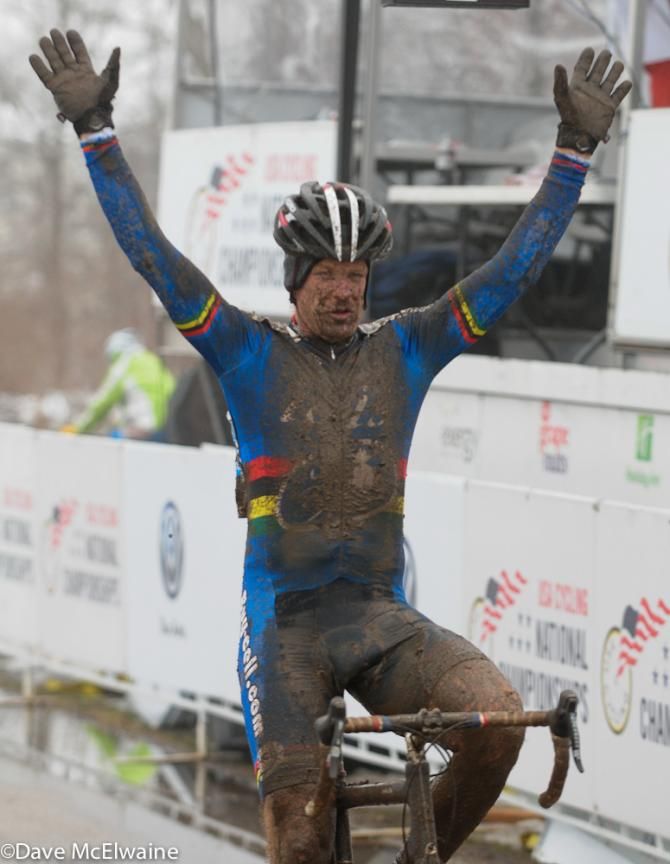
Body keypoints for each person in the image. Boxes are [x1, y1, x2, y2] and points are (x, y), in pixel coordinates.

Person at [30, 30, 631, 863]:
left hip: (381, 617)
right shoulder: (245, 352)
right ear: (295, 279)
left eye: (357, 275)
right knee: (303, 839)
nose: (345, 291)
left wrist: (573, 155)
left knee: (496, 724)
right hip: (285, 630)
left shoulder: (408, 348)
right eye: (327, 276)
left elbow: (510, 275)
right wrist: (96, 132)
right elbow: (154, 259)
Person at [68, 327, 175, 439]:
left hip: (140, 430)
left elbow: (102, 402)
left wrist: (76, 429)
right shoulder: (154, 361)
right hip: (165, 431)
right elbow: (171, 389)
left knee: (111, 439)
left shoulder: (124, 364)